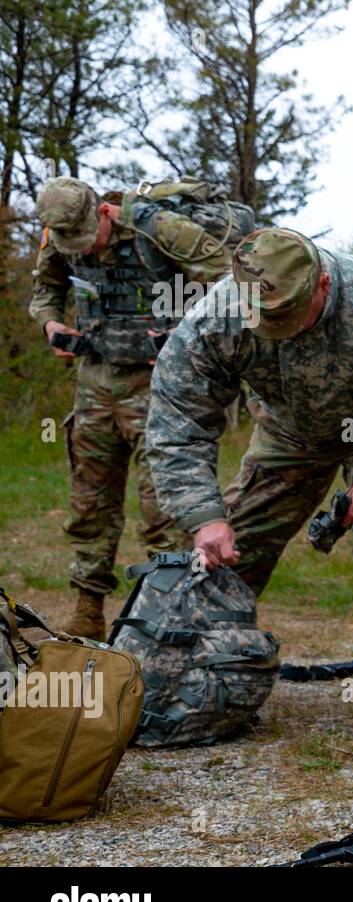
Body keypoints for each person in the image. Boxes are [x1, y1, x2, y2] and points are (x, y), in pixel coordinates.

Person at [145, 227, 353, 741]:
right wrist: (203, 516)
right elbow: (178, 418)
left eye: (291, 315)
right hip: (287, 429)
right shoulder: (217, 317)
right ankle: (206, 669)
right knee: (230, 547)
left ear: (323, 282)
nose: (281, 330)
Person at [31, 177, 231, 639]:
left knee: (163, 505)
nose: (82, 248)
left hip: (160, 386)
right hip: (95, 381)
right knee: (89, 501)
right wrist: (51, 324)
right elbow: (46, 289)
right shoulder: (60, 237)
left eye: (88, 235)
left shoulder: (159, 229)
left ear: (103, 211)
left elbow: (227, 283)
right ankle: (87, 606)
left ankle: (167, 614)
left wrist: (180, 333)